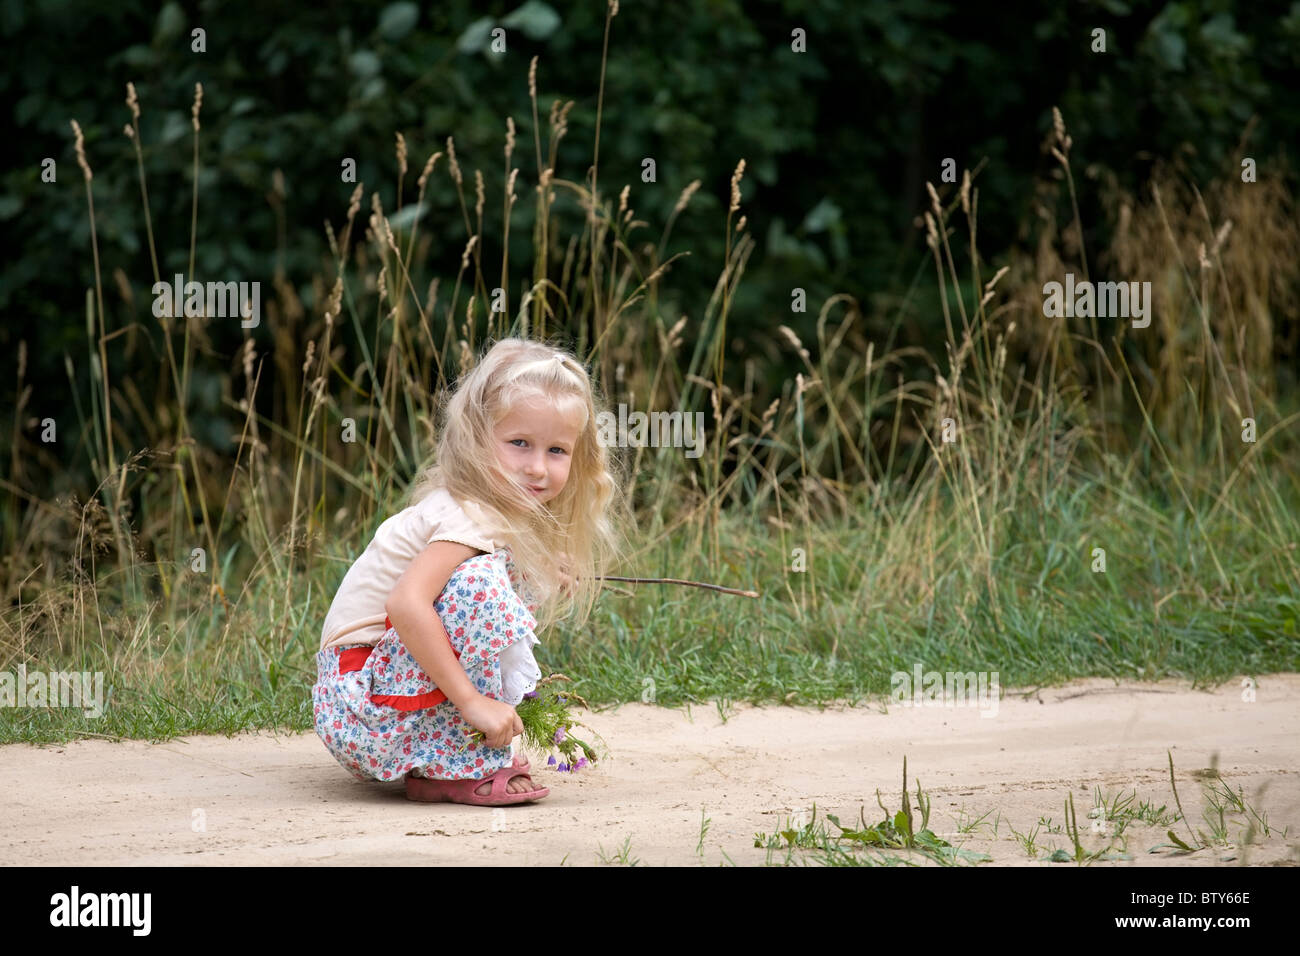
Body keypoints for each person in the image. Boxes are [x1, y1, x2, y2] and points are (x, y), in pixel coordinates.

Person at [312, 338, 623, 805]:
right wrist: (473, 703)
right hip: (361, 707)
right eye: (519, 443)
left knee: (498, 577)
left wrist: (534, 567)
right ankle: (457, 764)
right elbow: (406, 604)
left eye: (557, 450)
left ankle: (447, 755)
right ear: (479, 439)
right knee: (479, 583)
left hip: (376, 696)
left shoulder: (486, 515)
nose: (538, 467)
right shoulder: (467, 515)